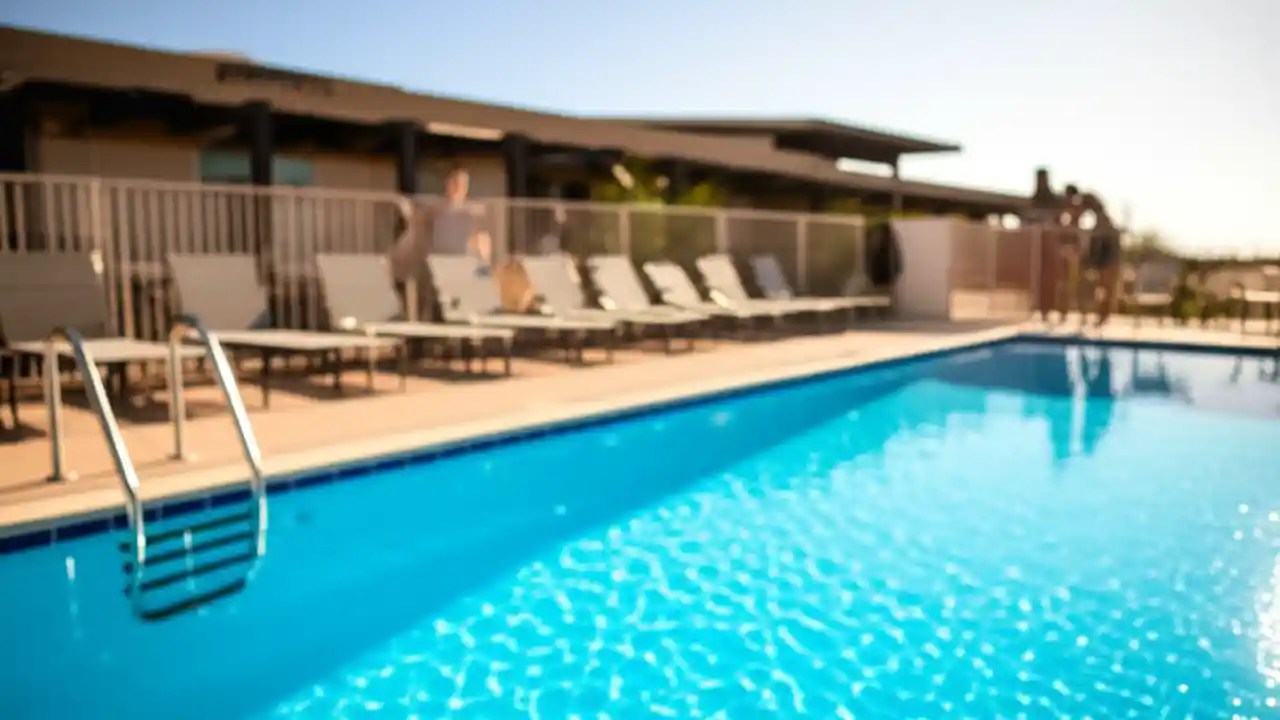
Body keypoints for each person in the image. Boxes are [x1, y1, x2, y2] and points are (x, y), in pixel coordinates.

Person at [389, 166, 494, 316]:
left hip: (460, 262)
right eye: (455, 183)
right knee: (433, 299)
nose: (458, 188)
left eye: (462, 184)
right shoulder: (435, 209)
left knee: (459, 301)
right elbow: (419, 227)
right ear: (448, 185)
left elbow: (481, 239)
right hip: (438, 261)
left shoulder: (471, 212)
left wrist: (483, 263)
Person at [1082, 192, 1122, 325]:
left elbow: (1103, 241)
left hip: (1108, 260)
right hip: (1106, 259)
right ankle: (1102, 316)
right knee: (1104, 290)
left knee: (1106, 290)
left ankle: (1103, 317)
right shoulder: (1102, 220)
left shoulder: (1103, 221)